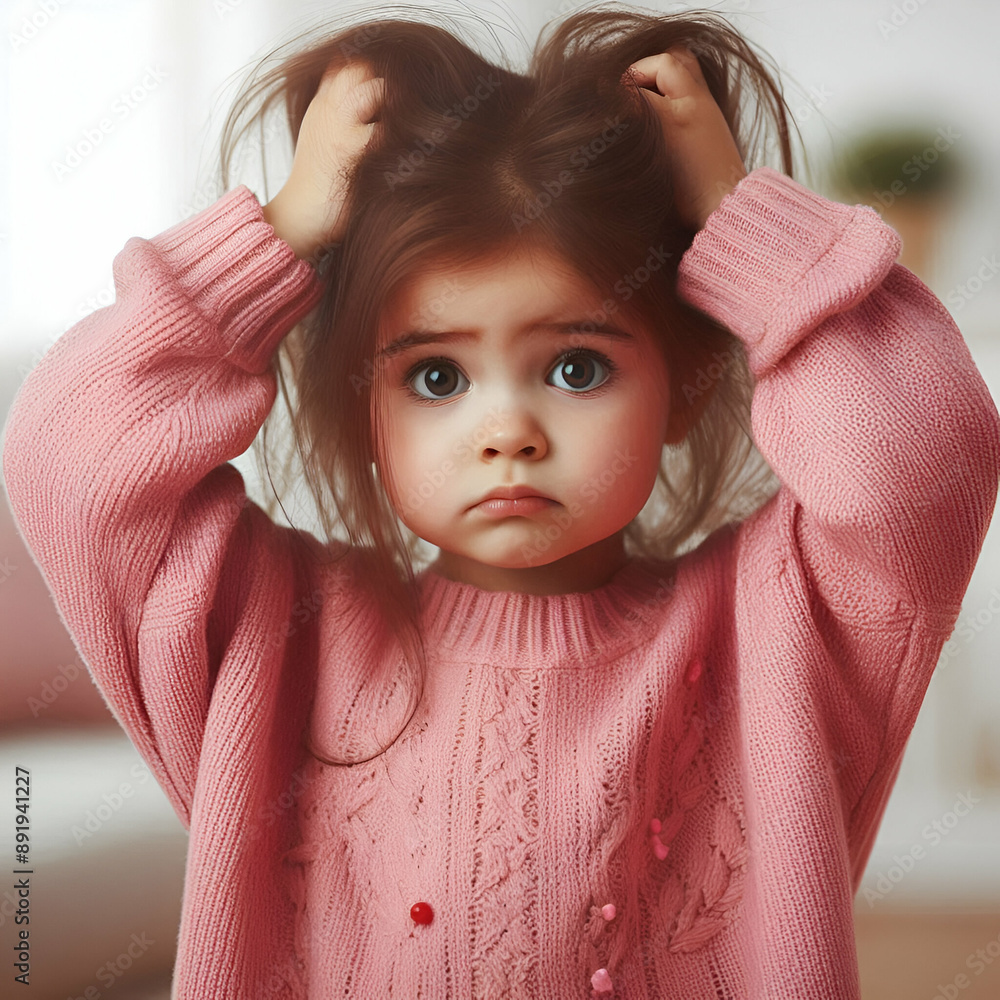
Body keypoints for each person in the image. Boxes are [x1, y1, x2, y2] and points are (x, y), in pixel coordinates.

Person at [4, 6, 999, 998]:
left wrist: (738, 217)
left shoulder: (776, 631)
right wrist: (281, 232)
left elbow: (927, 456)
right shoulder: (281, 641)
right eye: (435, 377)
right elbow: (70, 461)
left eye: (576, 367)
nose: (508, 430)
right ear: (363, 409)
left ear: (685, 389)